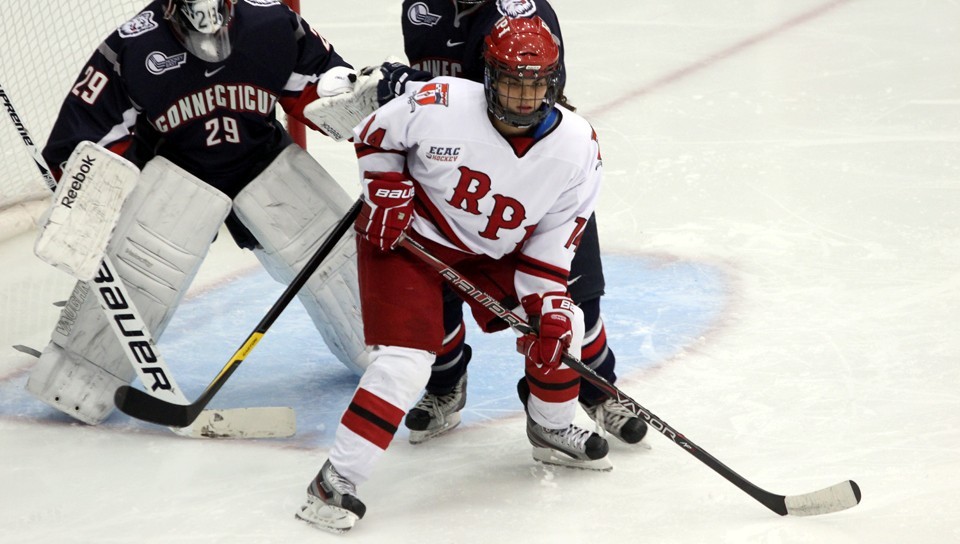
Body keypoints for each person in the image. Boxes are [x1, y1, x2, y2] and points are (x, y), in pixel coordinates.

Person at [297, 16, 610, 534]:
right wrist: (386, 188)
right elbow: (374, 134)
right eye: (512, 82)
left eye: (537, 85)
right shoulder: (440, 101)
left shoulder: (578, 148)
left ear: (556, 84)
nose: (524, 98)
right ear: (488, 77)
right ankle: (335, 481)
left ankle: (551, 427)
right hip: (408, 240)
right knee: (404, 365)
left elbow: (548, 248)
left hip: (495, 254)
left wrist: (547, 305)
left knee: (563, 325)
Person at [26, 0, 378, 425]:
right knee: (134, 285)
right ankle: (79, 372)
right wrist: (85, 200)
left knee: (340, 268)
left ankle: (379, 347)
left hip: (262, 162)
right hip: (178, 175)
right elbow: (80, 140)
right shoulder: (132, 47)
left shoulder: (273, 22)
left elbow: (323, 90)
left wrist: (346, 99)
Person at [388, 0, 648, 446]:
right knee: (439, 287)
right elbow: (436, 108)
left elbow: (514, 98)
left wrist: (413, 87)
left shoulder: (524, 12)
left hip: (535, 170)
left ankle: (594, 387)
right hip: (454, 176)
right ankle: (445, 386)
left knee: (574, 293)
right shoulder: (419, 7)